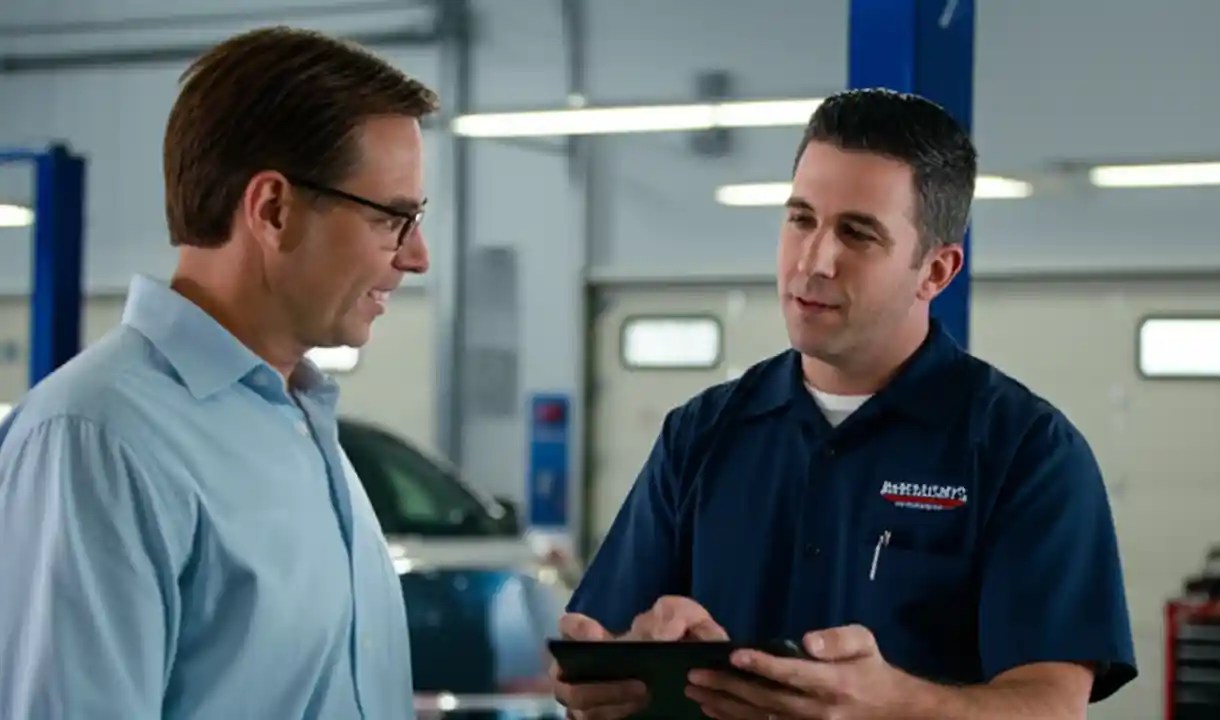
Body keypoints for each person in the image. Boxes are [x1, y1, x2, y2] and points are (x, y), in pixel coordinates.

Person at [554, 89, 1137, 719]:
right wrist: (638, 662)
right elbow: (597, 652)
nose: (814, 260)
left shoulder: (1025, 452)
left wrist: (895, 705)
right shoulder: (701, 433)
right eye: (801, 219)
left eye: (857, 234)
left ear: (935, 272)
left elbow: (1052, 706)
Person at [0, 27, 436, 719]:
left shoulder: (299, 425)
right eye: (394, 217)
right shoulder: (99, 440)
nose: (417, 257)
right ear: (273, 209)